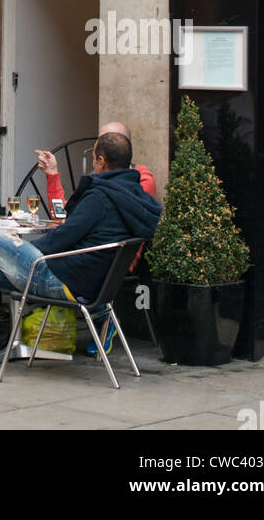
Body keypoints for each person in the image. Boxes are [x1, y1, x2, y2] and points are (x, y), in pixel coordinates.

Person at [0, 131, 162, 371]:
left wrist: (21, 252)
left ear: (101, 161)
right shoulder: (132, 196)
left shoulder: (101, 198)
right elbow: (70, 228)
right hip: (92, 286)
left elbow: (61, 238)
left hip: (65, 282)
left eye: (93, 157)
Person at [37, 120, 157, 353]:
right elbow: (65, 218)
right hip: (89, 252)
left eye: (111, 140)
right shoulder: (97, 182)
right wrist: (53, 175)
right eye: (101, 141)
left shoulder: (139, 180)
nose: (104, 146)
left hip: (117, 258)